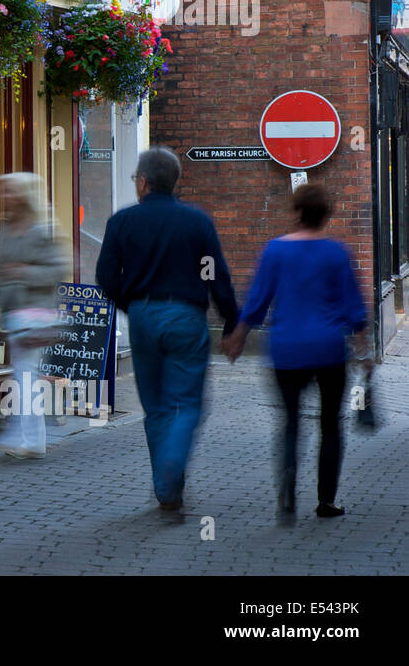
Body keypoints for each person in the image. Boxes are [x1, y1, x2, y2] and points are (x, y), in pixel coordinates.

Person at [95, 146, 239, 511]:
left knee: (155, 406)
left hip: (143, 317)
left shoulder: (122, 222)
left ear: (142, 182)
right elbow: (215, 275)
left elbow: (106, 277)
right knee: (188, 401)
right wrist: (232, 324)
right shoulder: (197, 222)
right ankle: (172, 467)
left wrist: (134, 305)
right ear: (173, 182)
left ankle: (165, 483)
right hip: (187, 316)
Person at [221, 185, 367, 519]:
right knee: (330, 425)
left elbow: (257, 302)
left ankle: (287, 494)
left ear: (297, 212)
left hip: (286, 350)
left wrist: (238, 337)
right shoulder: (337, 253)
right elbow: (354, 306)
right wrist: (363, 347)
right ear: (325, 216)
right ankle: (326, 501)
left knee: (289, 423)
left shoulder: (275, 251)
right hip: (329, 349)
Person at [0, 173, 69, 459]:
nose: (3, 197)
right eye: (2, 192)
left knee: (25, 374)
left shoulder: (41, 230)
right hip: (14, 314)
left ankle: (25, 436)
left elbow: (59, 269)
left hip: (36, 314)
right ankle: (32, 439)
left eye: (8, 192)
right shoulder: (5, 230)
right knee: (26, 375)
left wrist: (24, 272)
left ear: (23, 196)